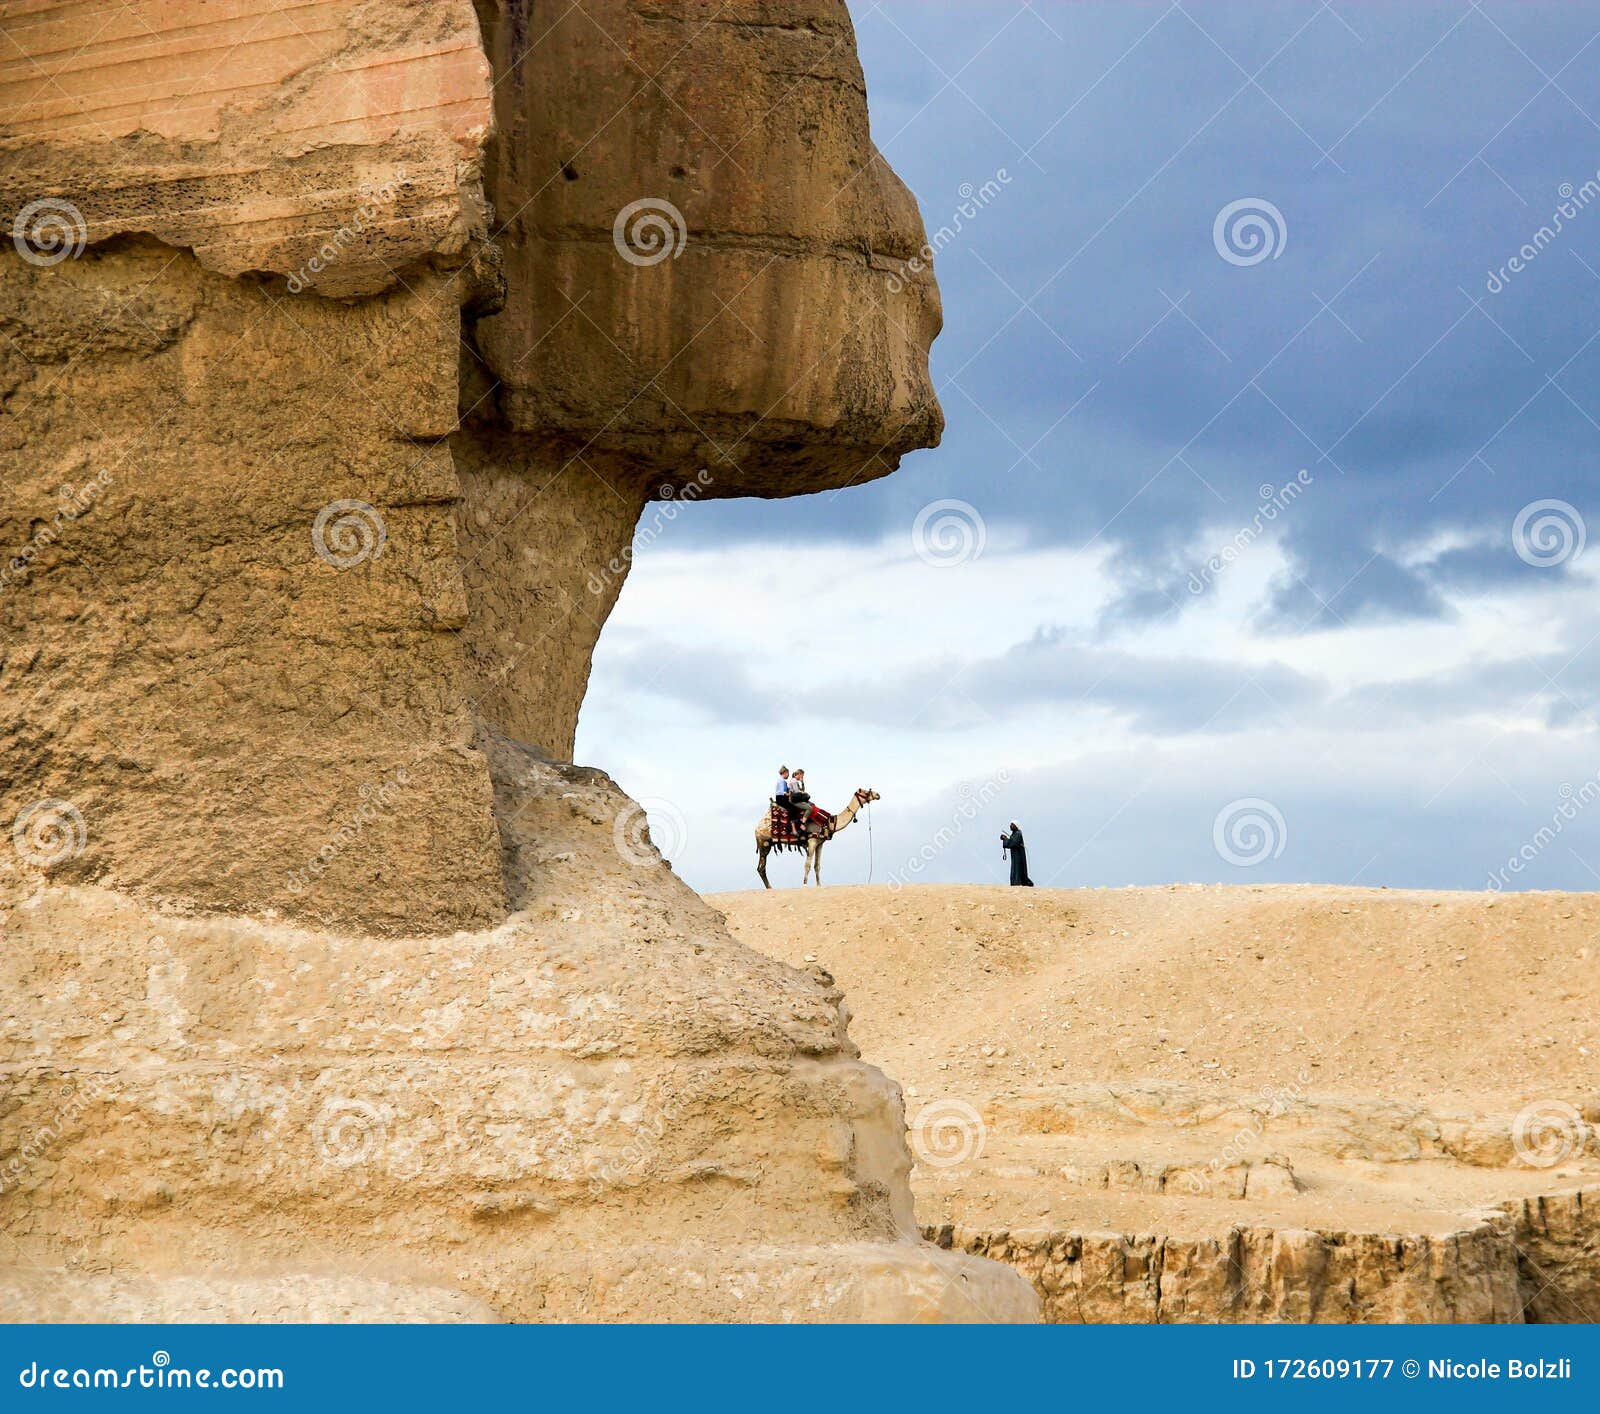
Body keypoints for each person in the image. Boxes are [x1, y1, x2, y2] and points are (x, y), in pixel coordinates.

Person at [1001, 821, 1033, 886]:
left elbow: (1013, 843)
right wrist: (1006, 839)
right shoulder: (1014, 834)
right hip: (1015, 856)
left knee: (1018, 870)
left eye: (1012, 824)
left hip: (1019, 857)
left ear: (1016, 826)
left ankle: (1019, 883)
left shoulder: (1018, 834)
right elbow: (1011, 842)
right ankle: (1016, 883)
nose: (1010, 826)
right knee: (1015, 870)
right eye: (1010, 824)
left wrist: (1005, 839)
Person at [786, 768, 812, 836]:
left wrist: (802, 782)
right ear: (799, 774)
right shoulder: (794, 781)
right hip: (794, 800)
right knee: (810, 808)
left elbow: (802, 790)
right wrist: (804, 793)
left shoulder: (795, 781)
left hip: (797, 798)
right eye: (802, 776)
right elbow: (797, 792)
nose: (802, 777)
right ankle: (802, 824)